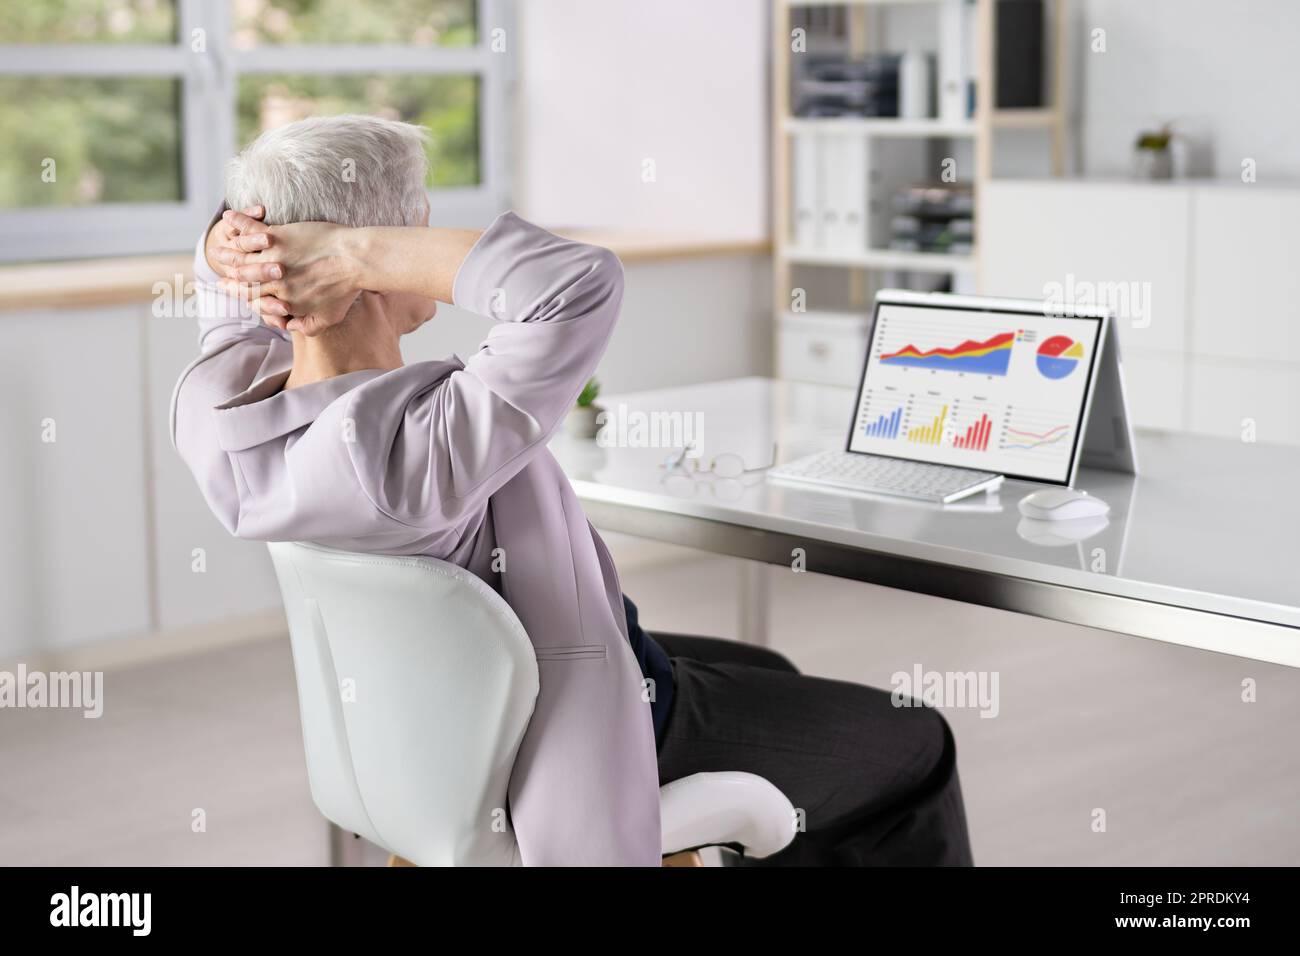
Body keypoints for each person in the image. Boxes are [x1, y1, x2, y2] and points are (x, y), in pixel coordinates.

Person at [176, 114, 973, 866]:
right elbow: (576, 283)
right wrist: (355, 252)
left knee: (765, 664)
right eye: (413, 230)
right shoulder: (419, 448)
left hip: (428, 728)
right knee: (919, 741)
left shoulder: (222, 417)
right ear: (354, 262)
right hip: (574, 725)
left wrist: (227, 243)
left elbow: (230, 312)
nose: (426, 243)